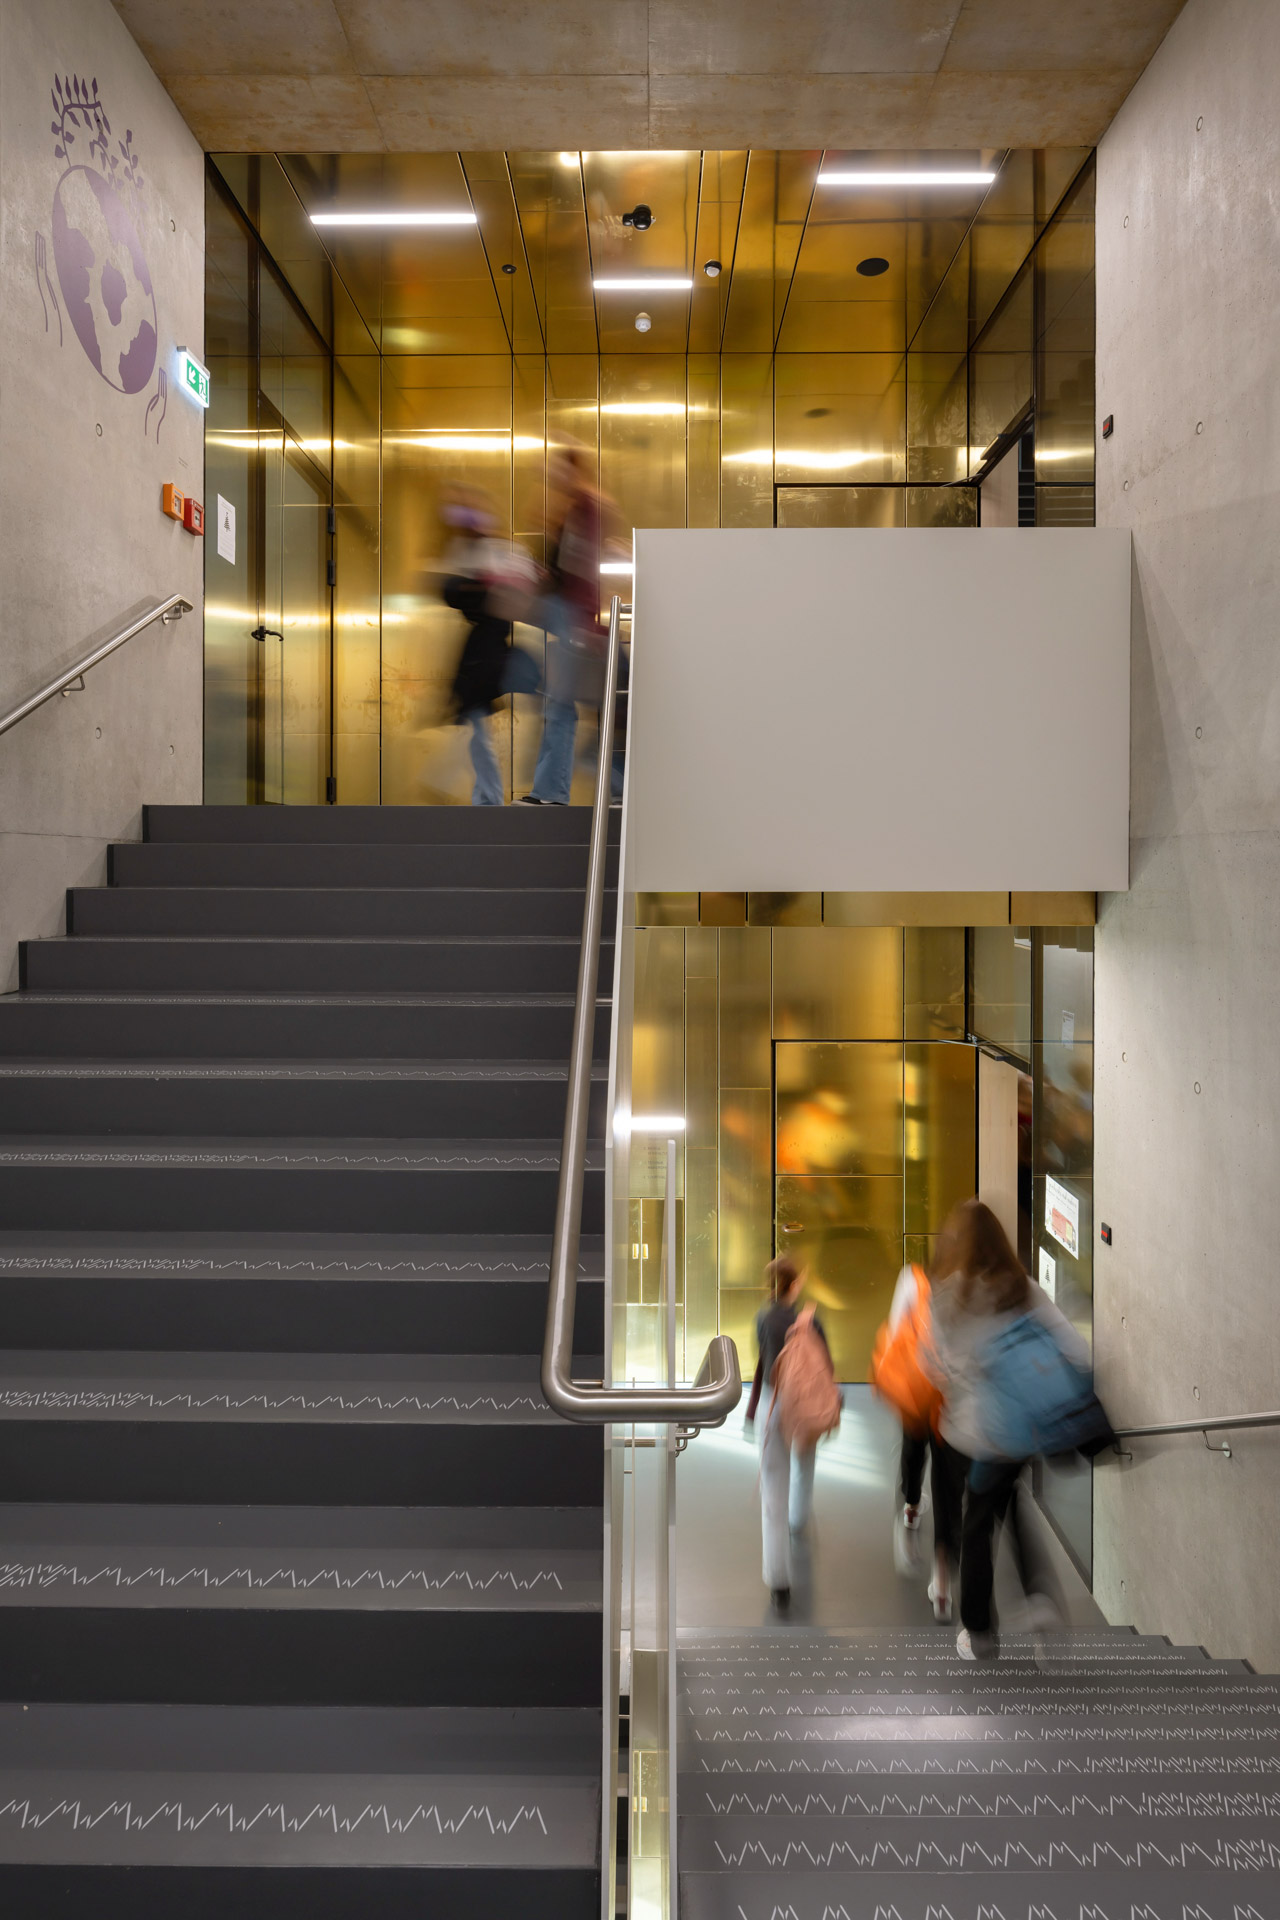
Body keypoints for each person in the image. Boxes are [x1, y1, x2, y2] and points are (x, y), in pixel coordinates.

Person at [927, 1198, 1086, 1661]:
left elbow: (939, 1366)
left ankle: (979, 1633)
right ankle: (1040, 1600)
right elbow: (1076, 1350)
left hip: (975, 1433)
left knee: (977, 1525)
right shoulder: (1023, 1288)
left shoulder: (946, 1297)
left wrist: (969, 1375)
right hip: (1021, 1431)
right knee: (1008, 1506)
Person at [519, 446, 618, 806]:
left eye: (556, 469)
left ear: (573, 470)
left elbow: (586, 566)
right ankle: (551, 790)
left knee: (559, 705)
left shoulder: (587, 506)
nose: (550, 476)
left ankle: (553, 791)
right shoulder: (571, 509)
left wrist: (585, 618)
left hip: (570, 614)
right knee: (556, 703)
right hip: (563, 612)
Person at [744, 1256, 830, 1613]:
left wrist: (751, 1411)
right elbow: (825, 1366)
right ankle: (798, 1519)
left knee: (772, 1493)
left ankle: (778, 1581)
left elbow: (763, 1362)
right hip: (804, 1406)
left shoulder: (763, 1317)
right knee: (804, 1463)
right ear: (794, 1285)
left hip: (772, 1402)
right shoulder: (811, 1320)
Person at [883, 1260, 966, 1624]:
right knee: (948, 1489)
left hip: (917, 1391)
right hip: (951, 1401)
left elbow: (894, 1328)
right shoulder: (967, 1288)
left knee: (912, 1453)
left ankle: (911, 1509)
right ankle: (943, 1588)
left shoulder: (910, 1279)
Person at [437, 490, 515, 806]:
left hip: (486, 653)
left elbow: (463, 594)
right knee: (474, 723)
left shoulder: (492, 553)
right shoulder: (470, 553)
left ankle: (488, 796)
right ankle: (485, 794)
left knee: (475, 724)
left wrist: (472, 587)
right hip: (482, 651)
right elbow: (453, 593)